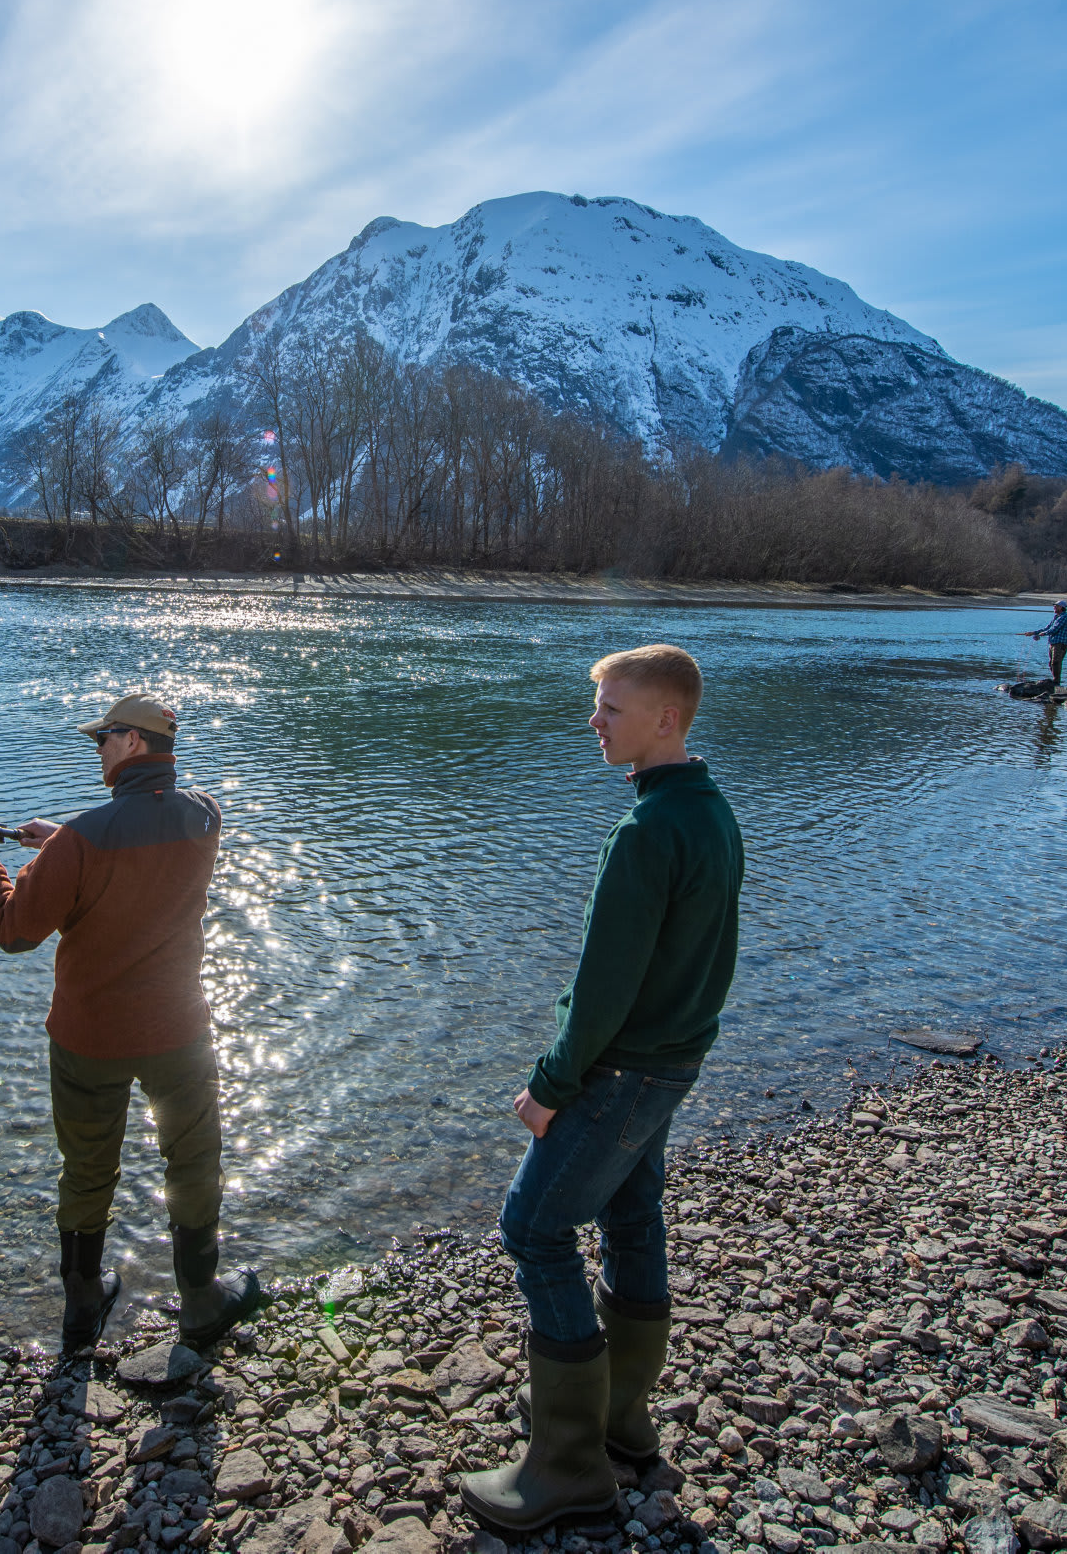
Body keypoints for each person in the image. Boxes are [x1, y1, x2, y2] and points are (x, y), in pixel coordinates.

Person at [463, 644, 744, 1534]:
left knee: (533, 1227)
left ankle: (569, 1465)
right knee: (631, 1218)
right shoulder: (714, 812)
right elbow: (702, 964)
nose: (594, 721)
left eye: (611, 709)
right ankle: (622, 1424)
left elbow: (602, 986)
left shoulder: (645, 833)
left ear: (666, 718)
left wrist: (550, 1085)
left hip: (623, 1070)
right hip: (672, 1062)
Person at [0, 692, 265, 1357]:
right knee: (193, 1162)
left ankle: (82, 1310)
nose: (97, 747)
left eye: (102, 736)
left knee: (86, 1172)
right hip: (180, 1031)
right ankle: (199, 1300)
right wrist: (59, 844)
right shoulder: (205, 818)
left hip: (90, 1038)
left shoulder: (83, 839)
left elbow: (16, 929)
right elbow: (135, 859)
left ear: (133, 742)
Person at [1025, 601, 1067, 684]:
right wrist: (1033, 633)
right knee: (1051, 663)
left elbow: (1055, 629)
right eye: (1054, 606)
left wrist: (1043, 634)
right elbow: (1047, 628)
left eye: (1056, 606)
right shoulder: (1056, 617)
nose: (1054, 607)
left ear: (1061, 607)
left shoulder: (1064, 617)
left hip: (1060, 643)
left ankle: (1056, 681)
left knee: (1056, 662)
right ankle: (1055, 680)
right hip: (1053, 643)